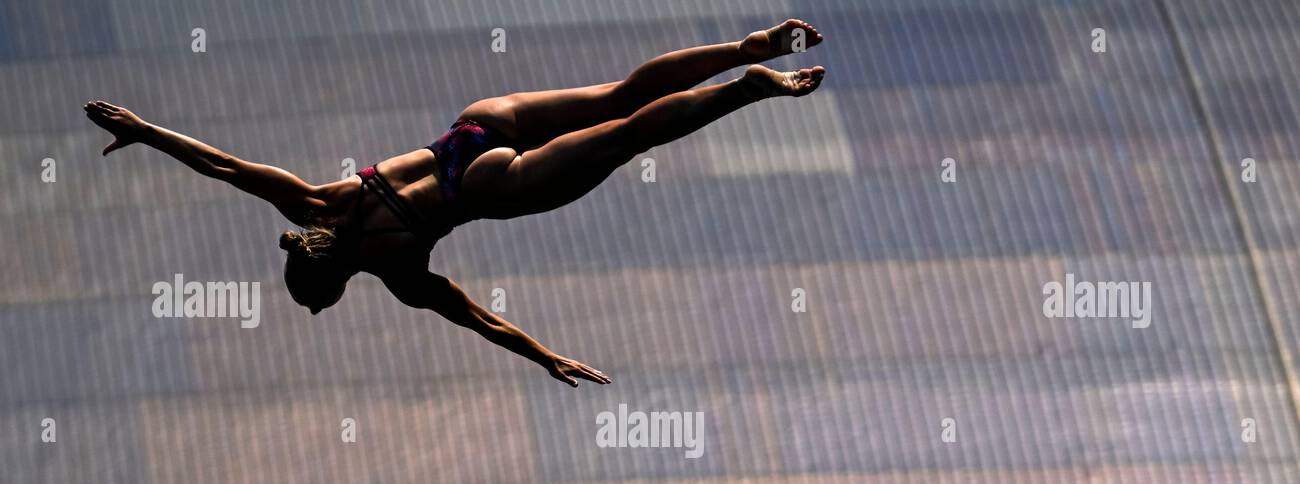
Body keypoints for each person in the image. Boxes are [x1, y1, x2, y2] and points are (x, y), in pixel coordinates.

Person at [84, 19, 824, 387]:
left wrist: (546, 358)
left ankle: (742, 93)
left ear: (339, 278)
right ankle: (749, 47)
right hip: (474, 126)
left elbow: (478, 318)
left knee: (625, 136)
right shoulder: (317, 200)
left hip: (482, 187)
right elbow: (225, 167)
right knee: (621, 95)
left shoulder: (395, 269)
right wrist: (144, 130)